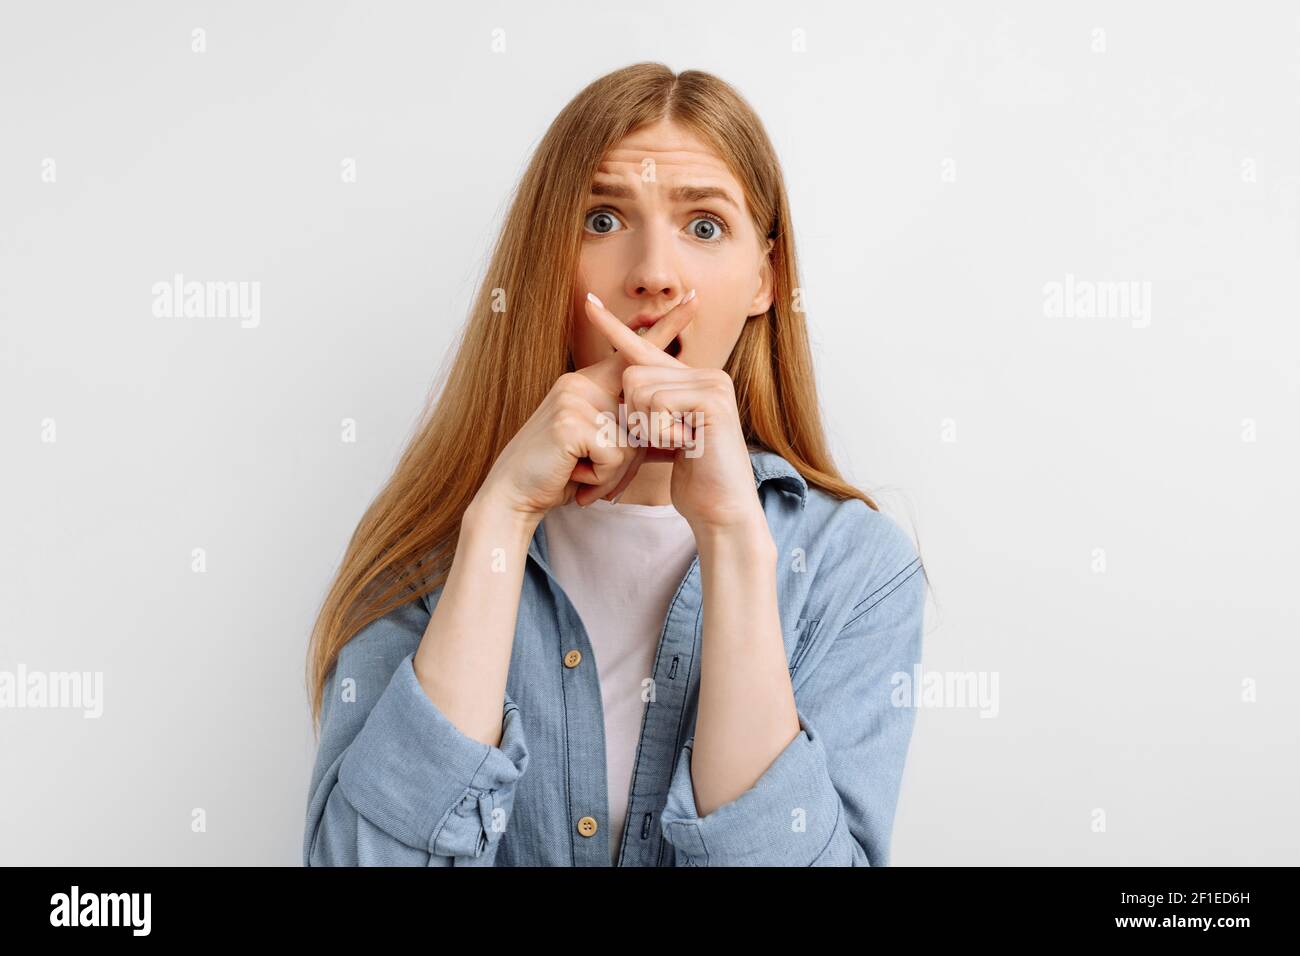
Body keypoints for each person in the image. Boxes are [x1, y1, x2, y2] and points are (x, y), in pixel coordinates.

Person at [302, 62, 926, 867]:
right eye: (602, 219)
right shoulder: (430, 547)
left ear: (765, 279)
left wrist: (734, 537)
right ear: (545, 263)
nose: (653, 274)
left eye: (704, 227)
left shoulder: (857, 572)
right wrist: (498, 519)